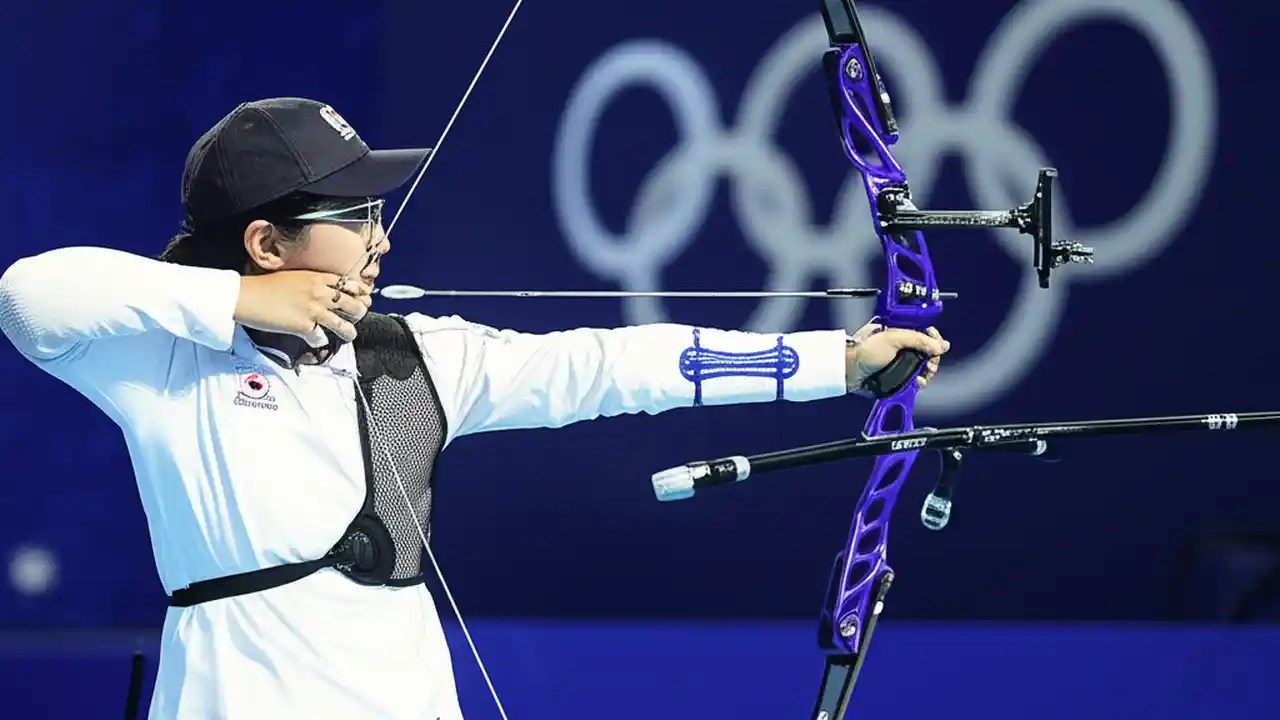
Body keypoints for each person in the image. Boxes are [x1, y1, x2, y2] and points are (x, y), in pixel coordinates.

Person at [0, 97, 950, 719]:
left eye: (378, 214)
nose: (378, 239)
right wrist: (240, 303)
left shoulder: (415, 360)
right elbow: (30, 296)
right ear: (263, 239)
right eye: (352, 217)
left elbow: (614, 366)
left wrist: (839, 360)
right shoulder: (167, 360)